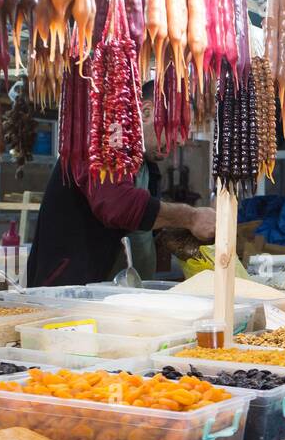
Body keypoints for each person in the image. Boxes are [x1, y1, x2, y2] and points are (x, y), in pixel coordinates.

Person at [26, 80, 216, 288]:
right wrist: (190, 217)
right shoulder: (102, 140)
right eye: (177, 127)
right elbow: (119, 205)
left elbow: (138, 221)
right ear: (146, 112)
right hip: (69, 292)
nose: (181, 140)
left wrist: (176, 234)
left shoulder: (146, 165)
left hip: (116, 296)